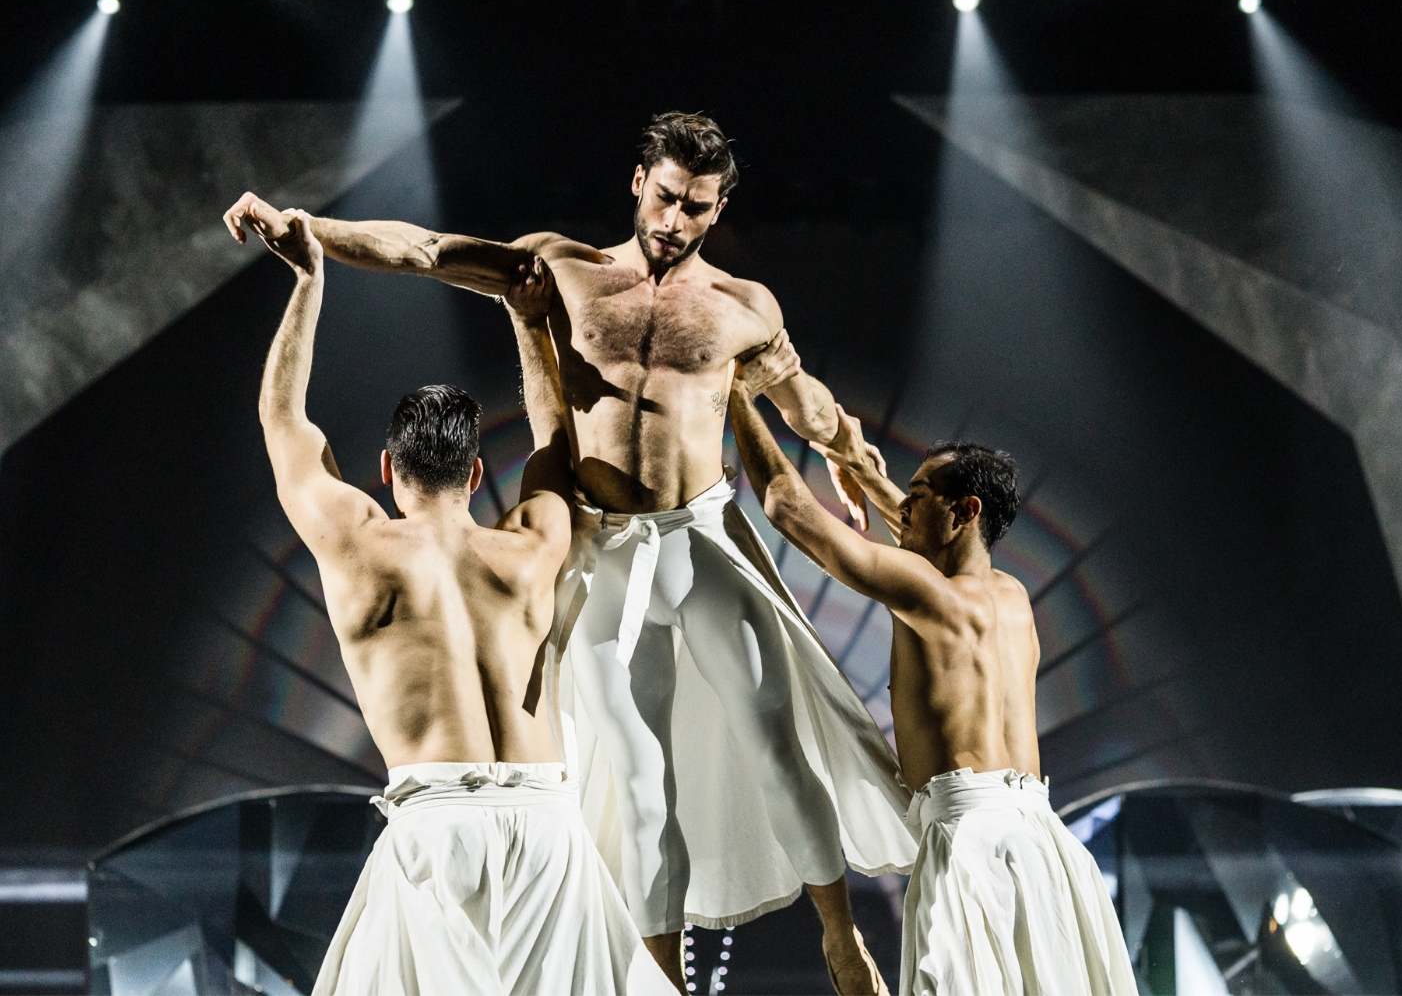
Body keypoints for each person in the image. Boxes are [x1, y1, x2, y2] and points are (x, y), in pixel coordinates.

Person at [224, 112, 914, 995]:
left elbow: (807, 403)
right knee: (630, 781)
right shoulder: (558, 269)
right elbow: (425, 249)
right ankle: (658, 975)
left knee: (776, 737)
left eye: (696, 208)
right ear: (638, 183)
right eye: (665, 197)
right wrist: (308, 230)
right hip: (601, 541)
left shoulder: (743, 307)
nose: (674, 221)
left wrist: (857, 464)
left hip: (701, 533)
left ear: (717, 209)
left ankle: (840, 937)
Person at [250, 209, 672, 995]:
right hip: (548, 825)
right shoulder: (528, 548)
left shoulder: (359, 544)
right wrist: (527, 321)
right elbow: (554, 448)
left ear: (384, 467)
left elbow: (283, 422)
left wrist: (308, 279)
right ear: (477, 475)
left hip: (437, 825)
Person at [728, 337, 1139, 996]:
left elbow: (786, 506)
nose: (903, 506)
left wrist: (736, 397)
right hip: (1044, 843)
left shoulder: (928, 594)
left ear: (965, 509)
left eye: (919, 494)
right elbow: (930, 535)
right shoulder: (1009, 598)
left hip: (969, 841)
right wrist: (859, 470)